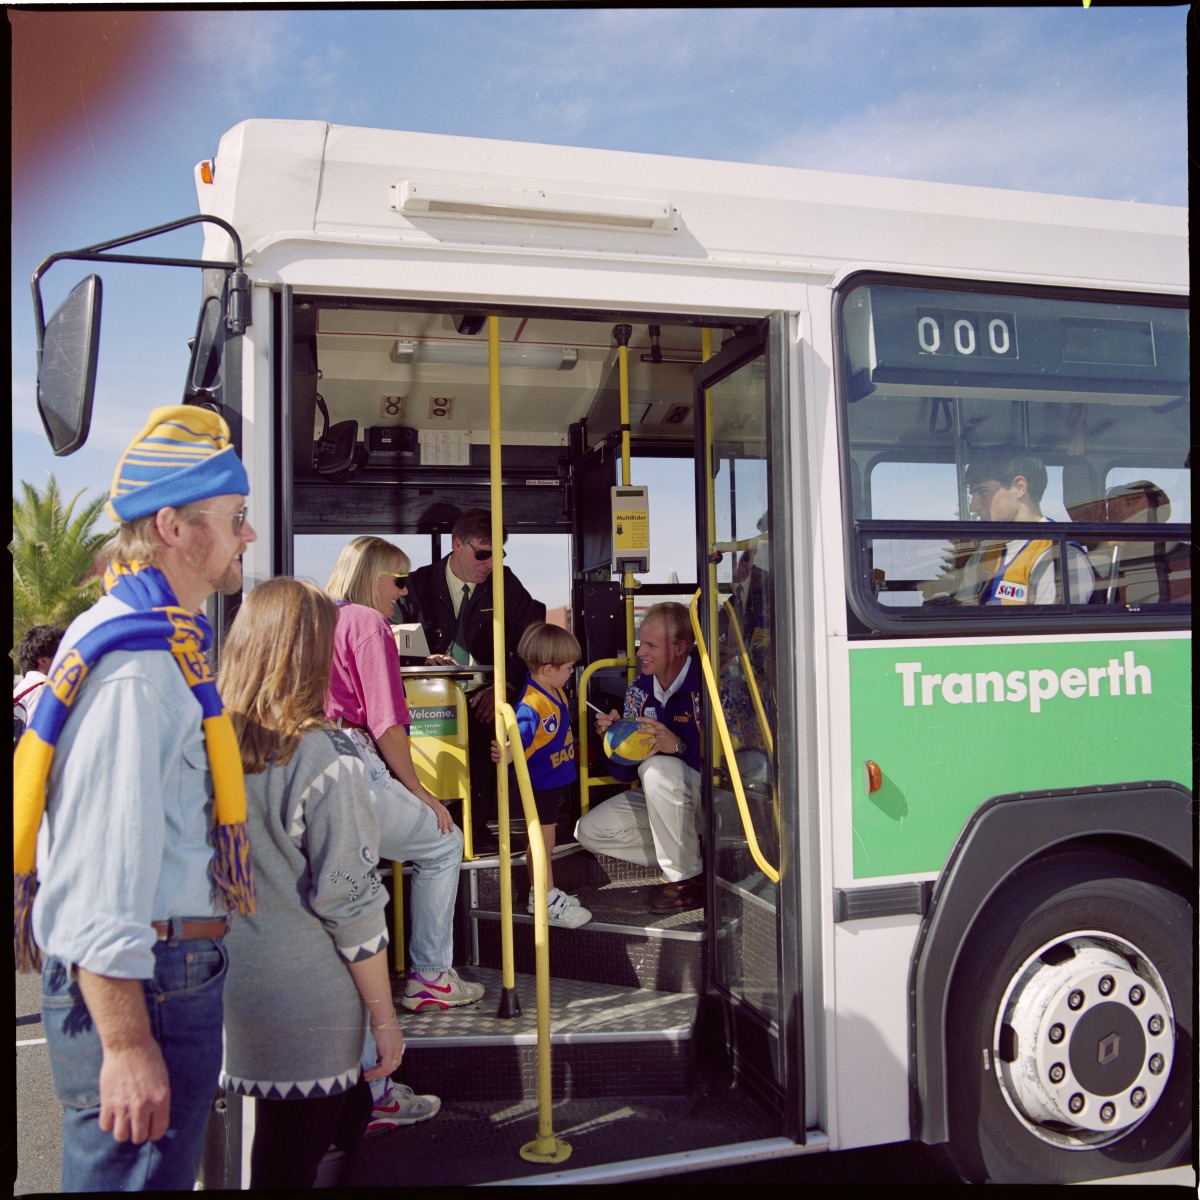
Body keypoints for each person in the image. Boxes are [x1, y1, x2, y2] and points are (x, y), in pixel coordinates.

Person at [13, 405, 257, 1192]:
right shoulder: (138, 670)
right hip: (149, 984)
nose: (249, 535)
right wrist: (124, 1044)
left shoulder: (150, 641)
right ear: (174, 527)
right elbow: (96, 870)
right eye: (236, 518)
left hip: (161, 973)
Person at [218, 578, 439, 1189]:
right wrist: (384, 1020)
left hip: (229, 986)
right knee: (311, 1151)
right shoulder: (325, 758)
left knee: (293, 1143)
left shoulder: (206, 744)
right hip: (311, 1002)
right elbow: (351, 903)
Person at [324, 536, 484, 1126]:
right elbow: (388, 724)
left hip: (315, 768)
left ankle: (369, 1094)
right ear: (372, 577)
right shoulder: (368, 622)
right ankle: (431, 975)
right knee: (443, 842)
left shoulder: (319, 617)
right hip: (355, 763)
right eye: (396, 580)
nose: (402, 592)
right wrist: (423, 794)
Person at [397, 508, 544, 852]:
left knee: (490, 737)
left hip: (483, 694)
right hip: (428, 699)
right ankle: (425, 829)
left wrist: (504, 689)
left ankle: (476, 830)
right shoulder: (417, 585)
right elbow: (396, 640)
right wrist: (423, 662)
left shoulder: (505, 584)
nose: (490, 564)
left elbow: (529, 641)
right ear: (457, 544)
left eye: (498, 555)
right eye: (482, 554)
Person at [575, 602, 705, 914]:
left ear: (680, 648)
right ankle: (693, 857)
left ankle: (685, 879)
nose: (640, 652)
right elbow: (624, 775)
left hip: (713, 798)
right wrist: (613, 740)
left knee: (658, 768)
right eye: (640, 643)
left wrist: (679, 747)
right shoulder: (639, 690)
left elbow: (730, 762)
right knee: (588, 831)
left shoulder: (707, 683)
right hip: (666, 794)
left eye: (651, 645)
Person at [492, 622, 592, 928]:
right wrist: (506, 752)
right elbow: (519, 737)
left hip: (553, 782)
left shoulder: (553, 689)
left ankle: (545, 893)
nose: (572, 672)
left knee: (545, 842)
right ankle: (543, 899)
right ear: (548, 669)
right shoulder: (532, 704)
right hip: (540, 787)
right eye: (569, 667)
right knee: (542, 844)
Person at [936, 446, 1095, 606]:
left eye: (983, 492)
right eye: (973, 495)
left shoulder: (1061, 558)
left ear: (1019, 487)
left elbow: (1054, 622)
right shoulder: (986, 553)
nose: (973, 507)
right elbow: (961, 611)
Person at [13, 624, 65, 744]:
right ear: (43, 661)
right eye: (60, 654)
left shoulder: (22, 688)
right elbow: (38, 740)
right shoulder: (43, 689)